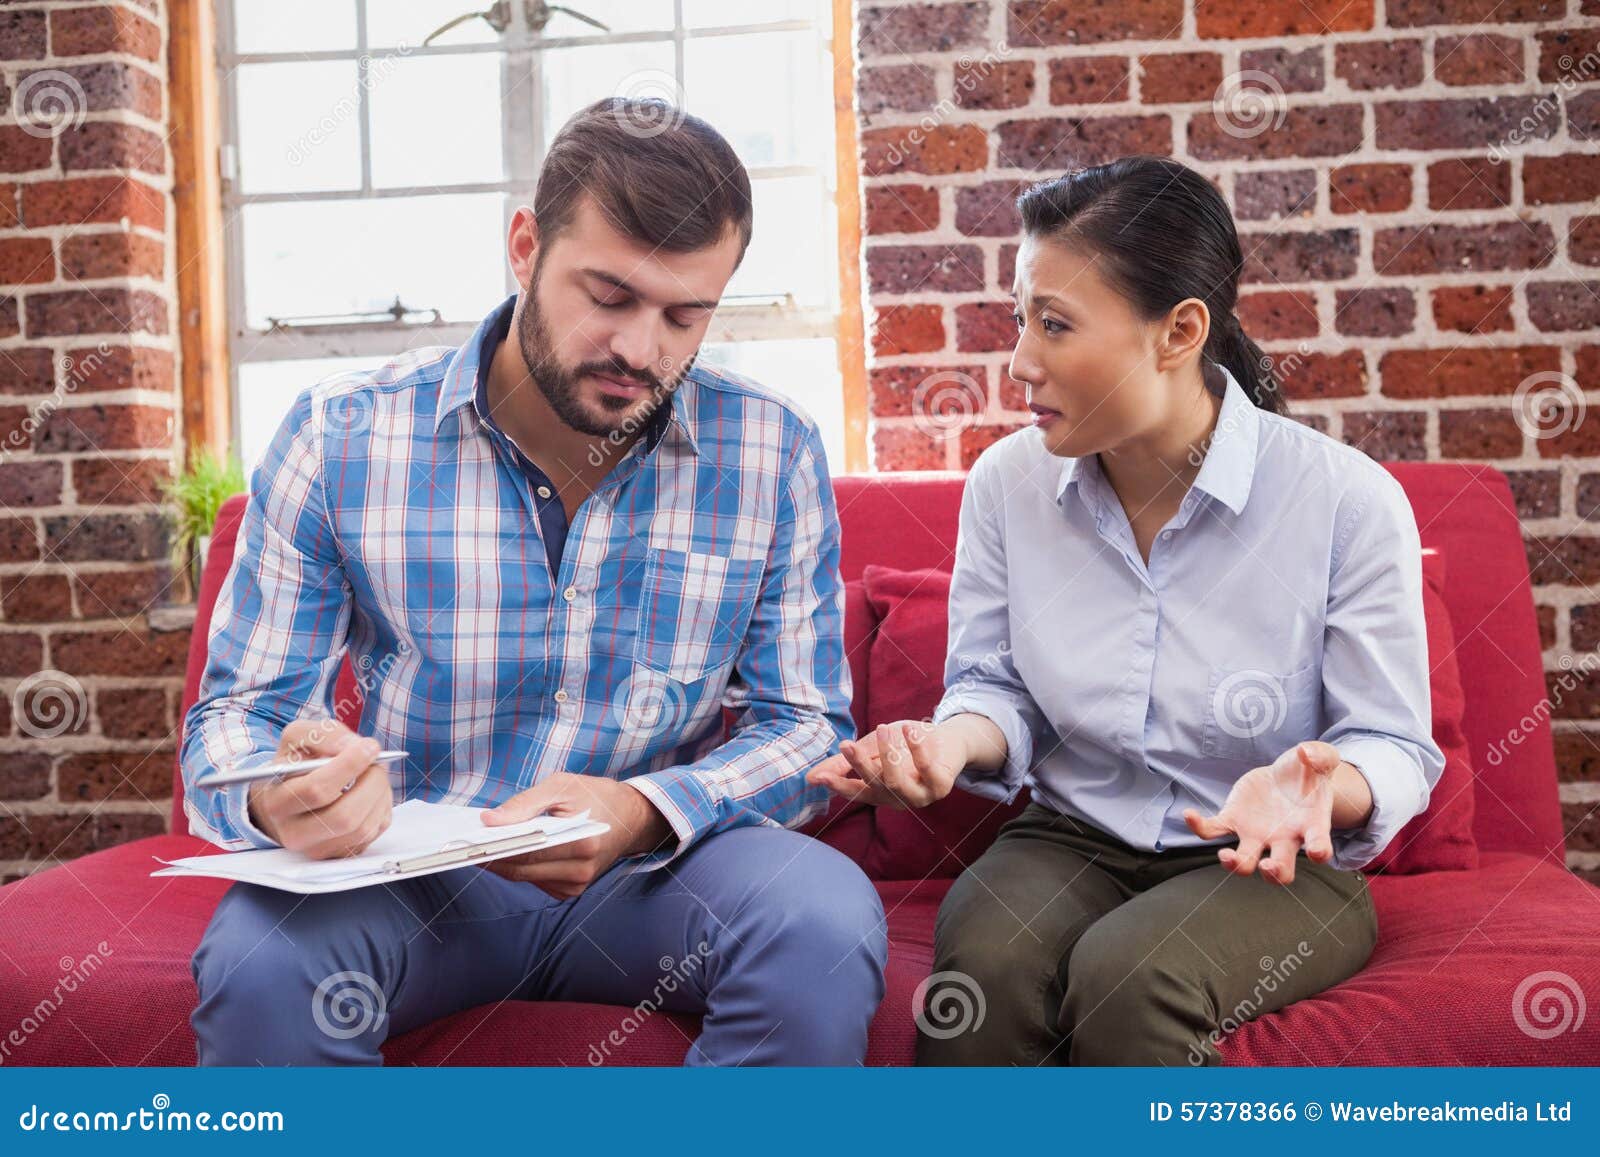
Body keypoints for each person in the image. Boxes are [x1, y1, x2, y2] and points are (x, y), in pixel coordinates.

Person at [182, 97, 887, 1066]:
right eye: (608, 296)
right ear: (524, 247)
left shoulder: (769, 447)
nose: (643, 350)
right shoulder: (341, 432)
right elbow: (238, 719)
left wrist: (644, 807)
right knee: (261, 959)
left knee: (821, 922)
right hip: (412, 878)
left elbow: (805, 722)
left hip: (658, 869)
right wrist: (276, 796)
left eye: (686, 314)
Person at [808, 154, 1445, 1066]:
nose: (1019, 360)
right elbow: (995, 686)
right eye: (1021, 319)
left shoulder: (1346, 502)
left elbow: (1395, 744)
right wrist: (948, 743)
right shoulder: (1006, 487)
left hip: (1268, 864)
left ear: (1180, 330)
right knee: (980, 970)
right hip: (1072, 836)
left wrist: (1319, 784)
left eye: (1055, 325)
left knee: (1130, 974)